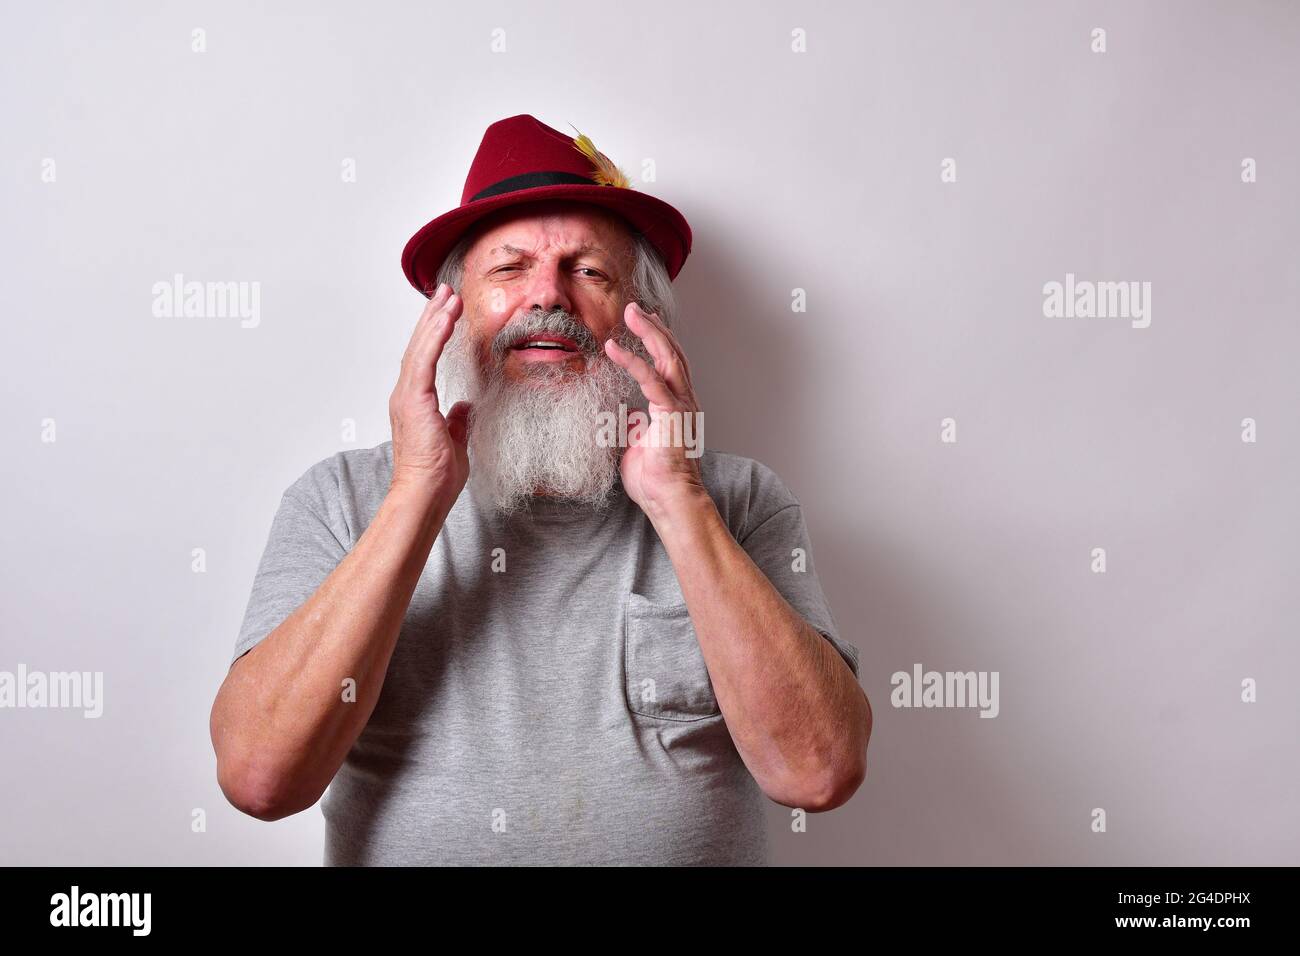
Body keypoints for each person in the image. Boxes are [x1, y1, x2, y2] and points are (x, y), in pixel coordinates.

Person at [209, 114, 871, 865]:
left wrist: (680, 499)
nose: (546, 297)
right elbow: (260, 779)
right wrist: (417, 495)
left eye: (588, 271)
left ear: (643, 317)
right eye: (509, 268)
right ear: (450, 313)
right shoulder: (341, 501)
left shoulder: (741, 500)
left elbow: (817, 772)